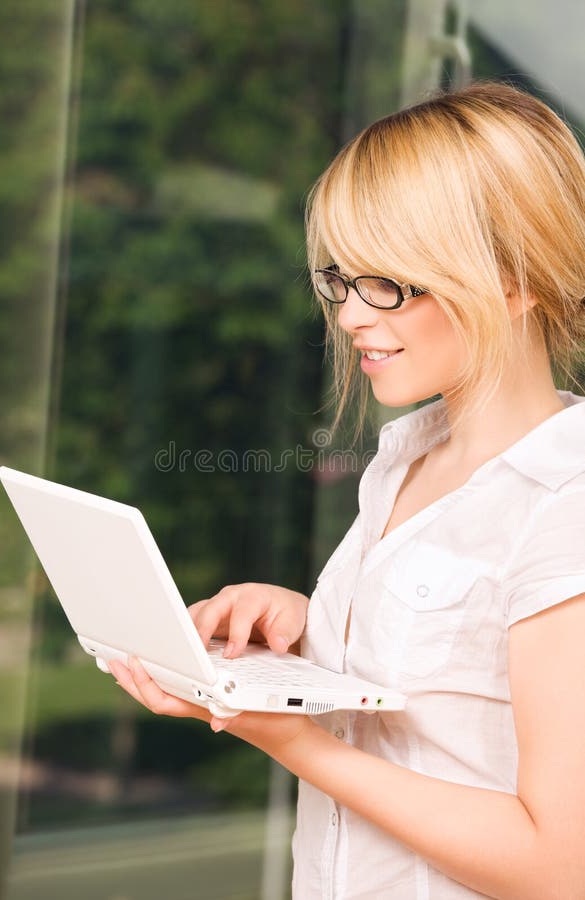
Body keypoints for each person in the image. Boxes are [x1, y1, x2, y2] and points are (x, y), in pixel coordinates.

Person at [109, 80, 585, 898]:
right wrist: (310, 629)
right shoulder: (404, 461)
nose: (353, 316)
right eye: (342, 279)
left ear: (517, 282)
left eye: (392, 284)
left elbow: (559, 866)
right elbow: (445, 693)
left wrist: (292, 740)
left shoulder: (562, 505)